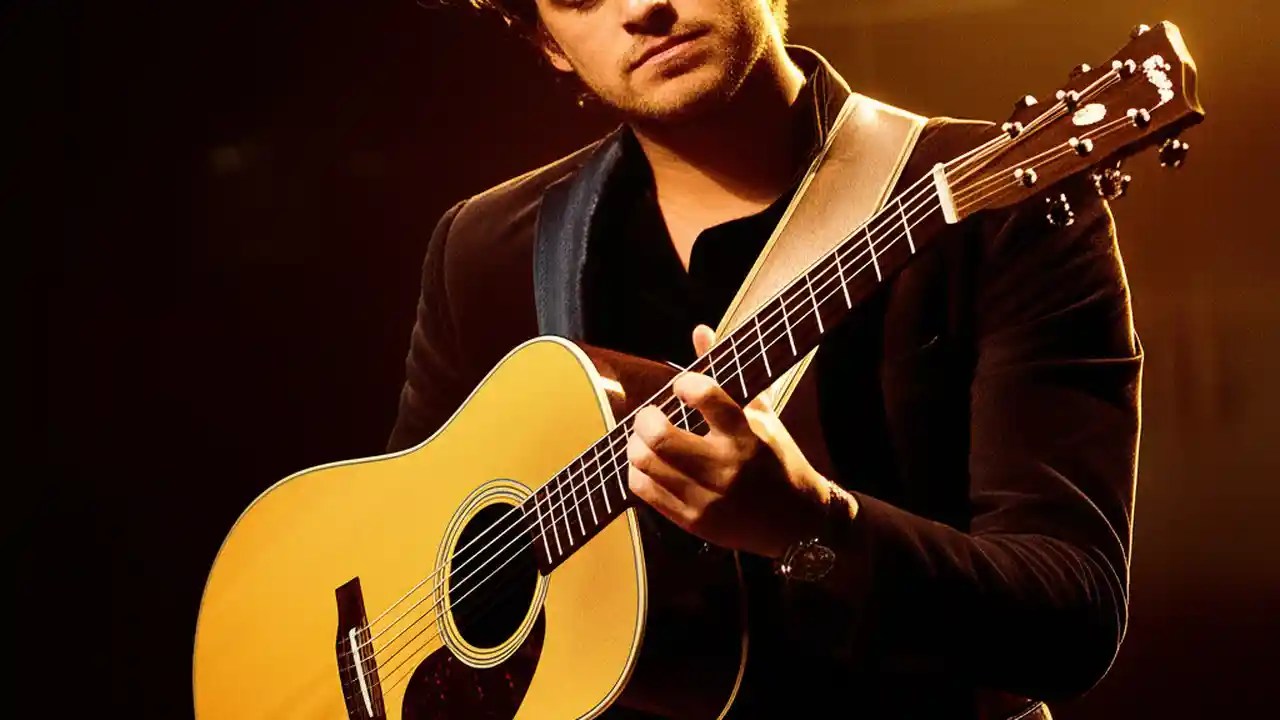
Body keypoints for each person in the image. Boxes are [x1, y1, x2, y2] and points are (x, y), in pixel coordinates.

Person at [387, 1, 1142, 717]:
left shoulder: (997, 202)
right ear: (550, 43)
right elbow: (393, 566)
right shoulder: (484, 249)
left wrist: (811, 526)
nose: (641, 9)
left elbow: (1073, 618)